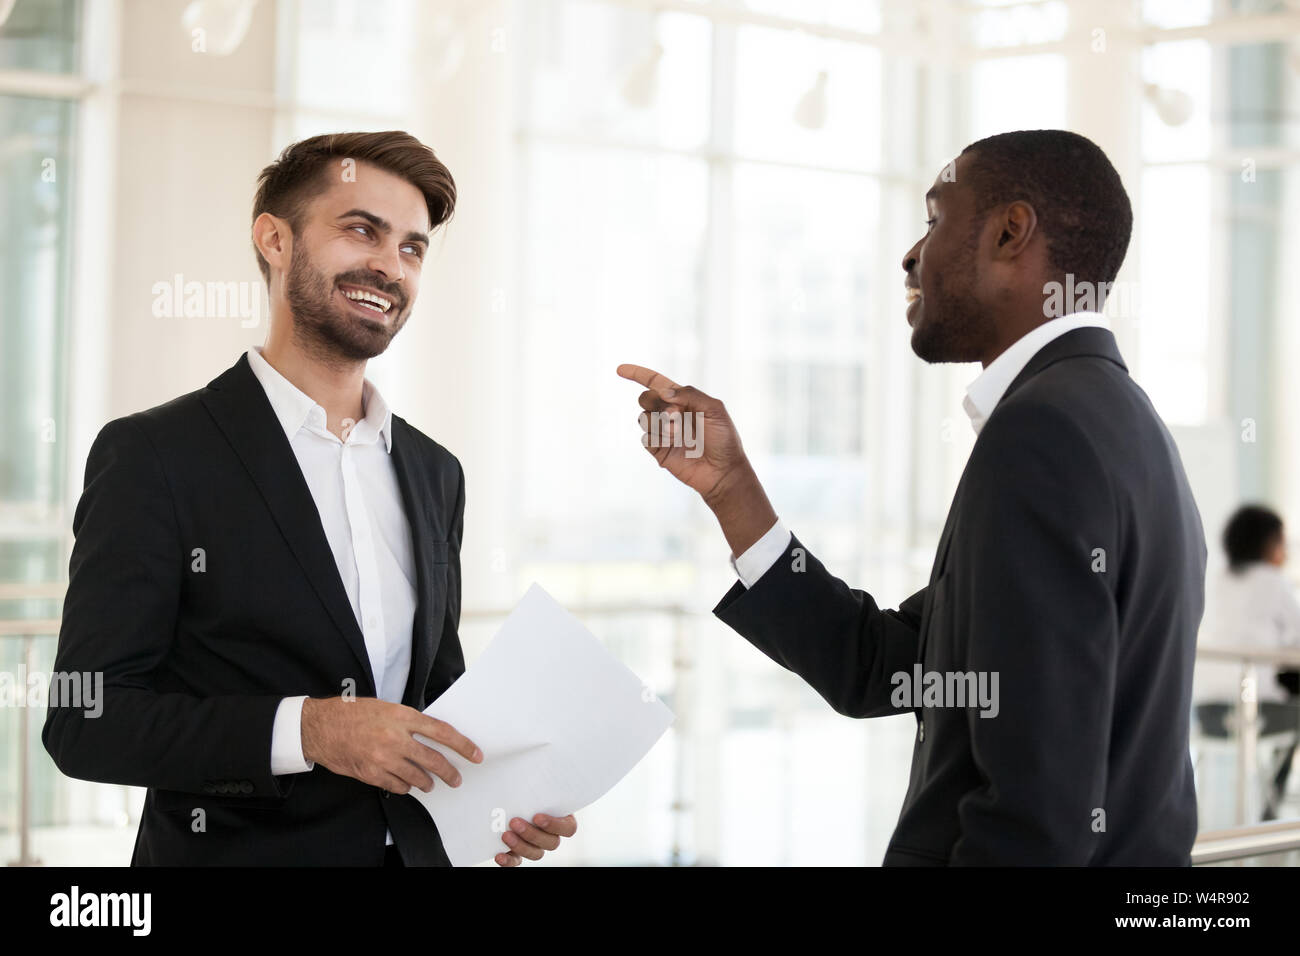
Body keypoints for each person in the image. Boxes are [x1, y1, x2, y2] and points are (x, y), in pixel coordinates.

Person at [619, 129, 1207, 865]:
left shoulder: (1042, 434)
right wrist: (735, 491)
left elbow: (1036, 820)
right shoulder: (1116, 419)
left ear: (1008, 233)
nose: (910, 255)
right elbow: (888, 665)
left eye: (934, 219)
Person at [43, 131, 576, 867]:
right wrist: (312, 731)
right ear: (275, 240)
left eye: (413, 249)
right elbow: (85, 720)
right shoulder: (156, 456)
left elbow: (435, 698)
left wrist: (496, 800)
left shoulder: (434, 472)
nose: (390, 267)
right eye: (362, 230)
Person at [1196, 504, 1300, 820]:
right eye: (1282, 541)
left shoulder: (1215, 580)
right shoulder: (1274, 581)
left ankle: (1273, 796)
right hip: (1256, 716)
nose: (1287, 550)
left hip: (1206, 716)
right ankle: (1273, 800)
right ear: (1268, 544)